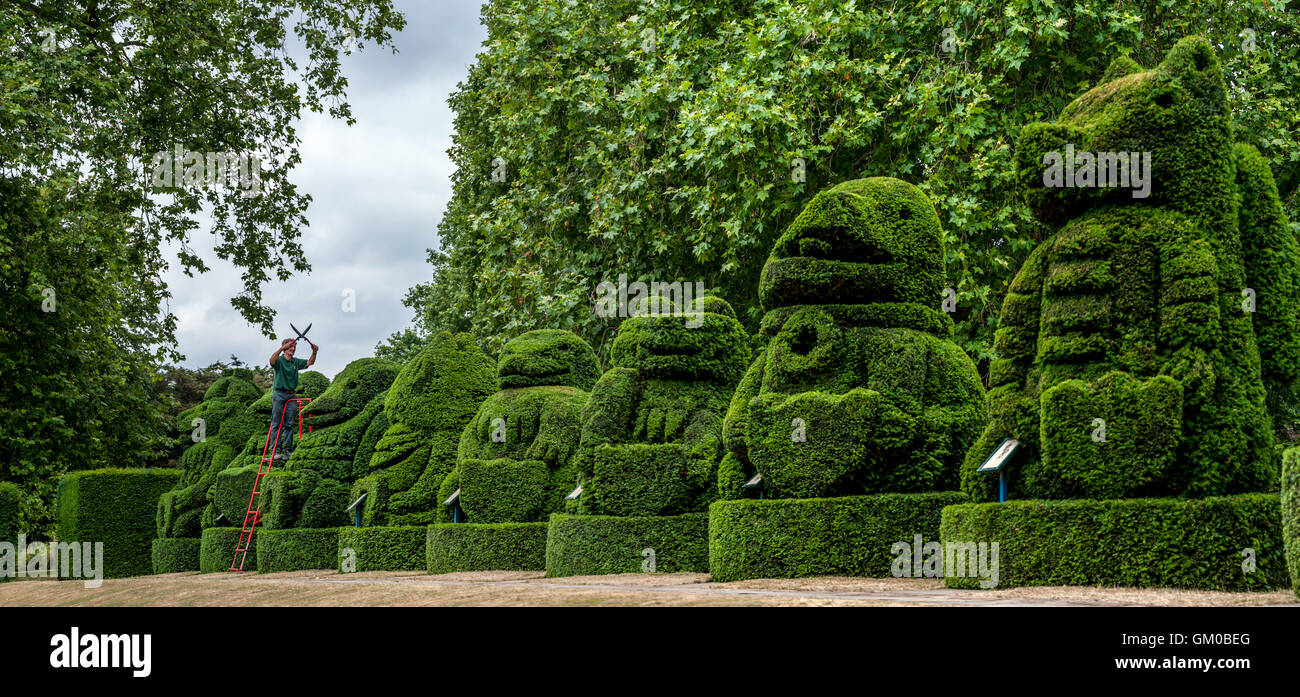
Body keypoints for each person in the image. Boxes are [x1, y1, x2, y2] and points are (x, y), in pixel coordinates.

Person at [268, 337, 318, 460]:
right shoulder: (279, 360)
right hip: (279, 394)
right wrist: (281, 348)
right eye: (290, 347)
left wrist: (314, 352)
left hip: (291, 395)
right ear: (285, 348)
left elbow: (309, 363)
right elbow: (271, 361)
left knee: (289, 423)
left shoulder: (295, 362)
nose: (293, 349)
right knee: (276, 423)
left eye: (294, 347)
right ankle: (275, 451)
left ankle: (288, 451)